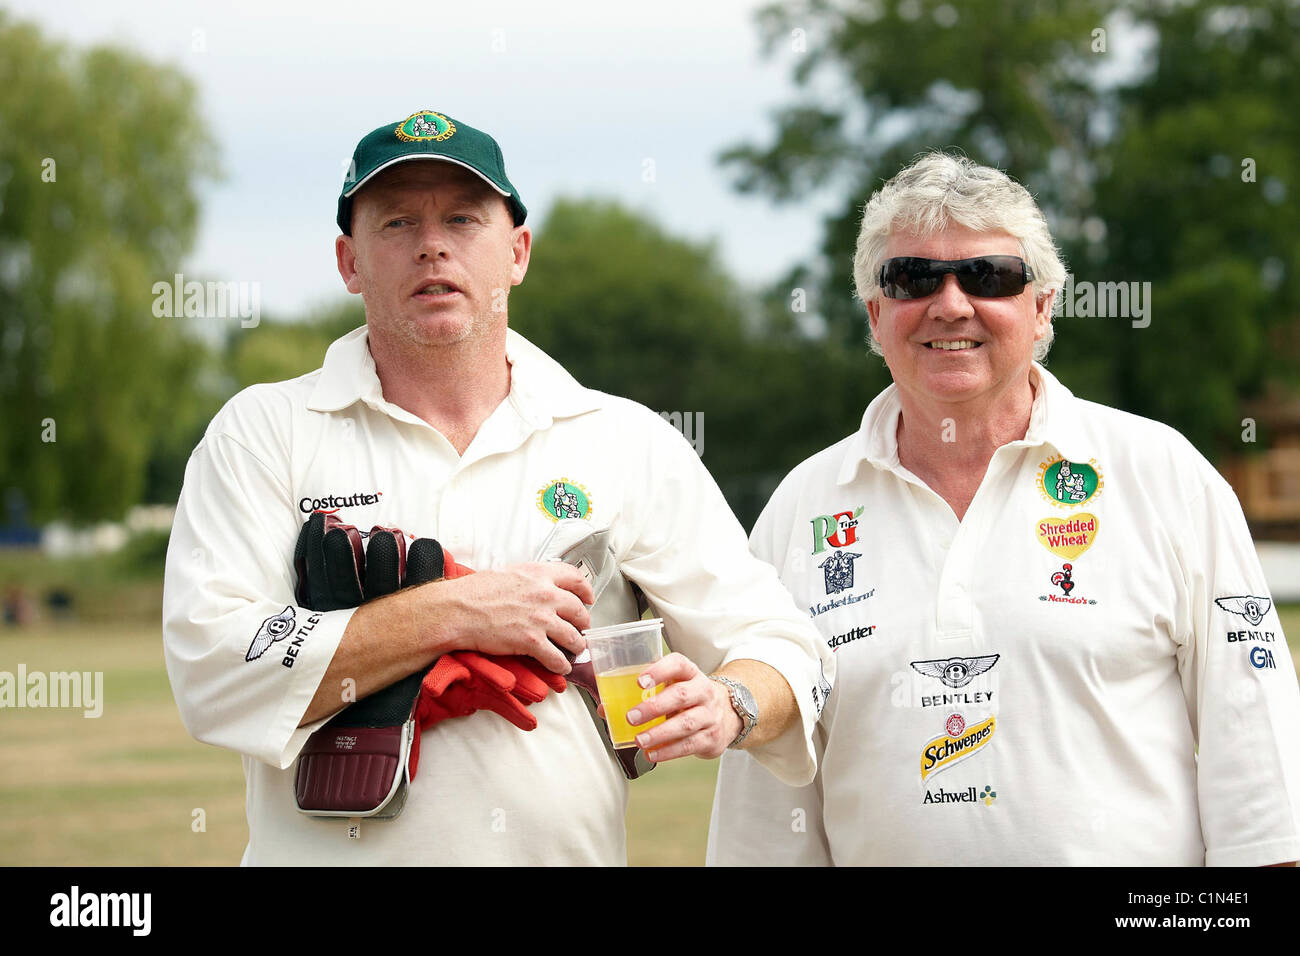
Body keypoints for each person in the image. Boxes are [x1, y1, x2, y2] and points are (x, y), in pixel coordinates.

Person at [162, 109, 832, 865]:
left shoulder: (622, 438)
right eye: (396, 223)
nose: (432, 244)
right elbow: (210, 669)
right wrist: (453, 611)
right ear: (349, 262)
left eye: (462, 218)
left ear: (516, 252)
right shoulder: (264, 429)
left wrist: (730, 702)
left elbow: (782, 644)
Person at [707, 152, 1300, 866]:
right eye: (913, 278)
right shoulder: (802, 508)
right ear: (875, 312)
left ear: (1043, 304)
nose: (951, 304)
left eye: (989, 276)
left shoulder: (1163, 474)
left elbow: (1261, 763)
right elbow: (765, 817)